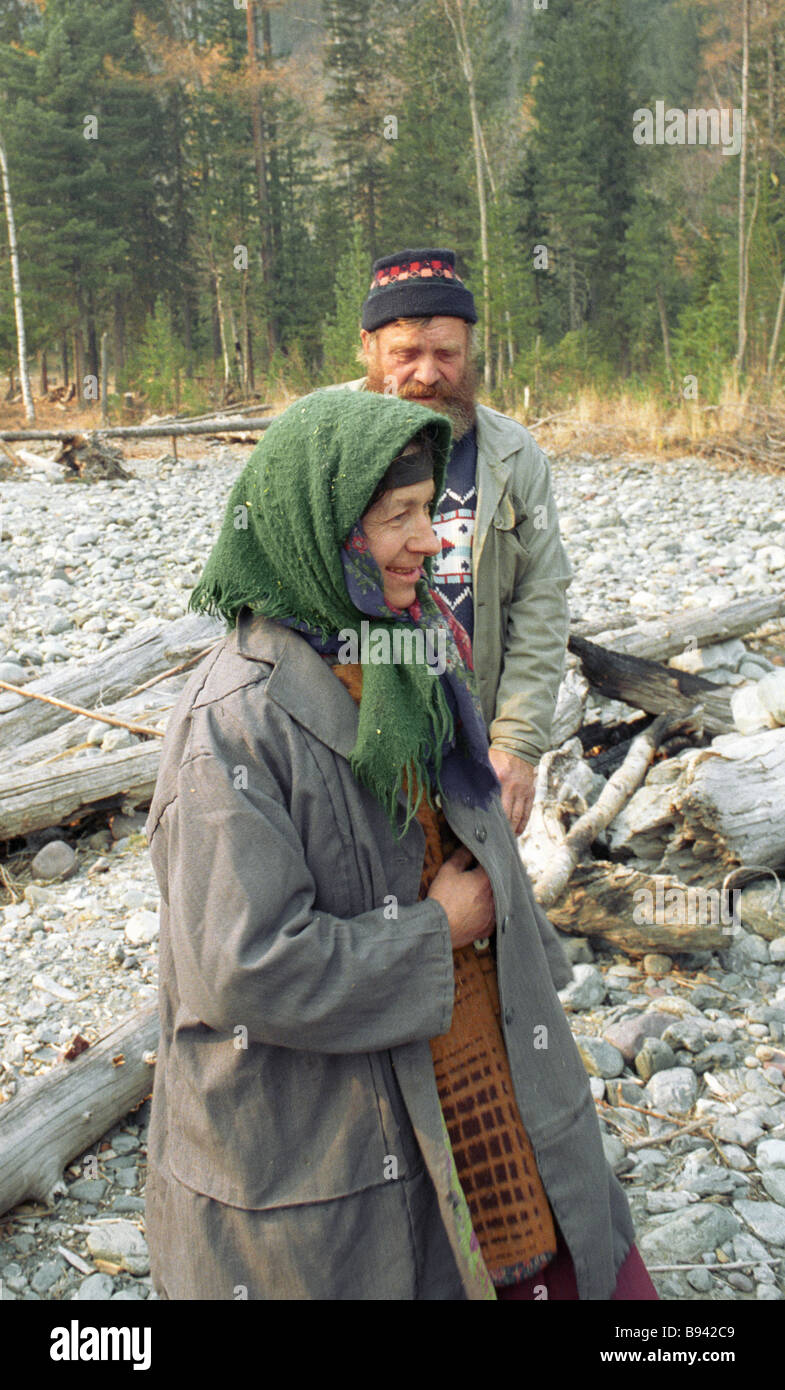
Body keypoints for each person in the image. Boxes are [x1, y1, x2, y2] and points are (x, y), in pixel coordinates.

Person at [143, 387, 657, 1301]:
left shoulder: (407, 652)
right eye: (399, 518)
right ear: (321, 529)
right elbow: (243, 968)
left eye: (430, 511)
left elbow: (474, 838)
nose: (432, 542)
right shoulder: (236, 725)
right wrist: (438, 932)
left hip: (481, 1070)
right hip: (327, 1136)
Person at [347, 246, 574, 836]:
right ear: (368, 347)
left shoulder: (514, 455)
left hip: (473, 739)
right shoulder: (323, 440)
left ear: (470, 350)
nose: (426, 373)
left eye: (445, 353)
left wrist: (519, 745)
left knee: (483, 906)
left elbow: (541, 599)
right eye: (406, 354)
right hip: (351, 732)